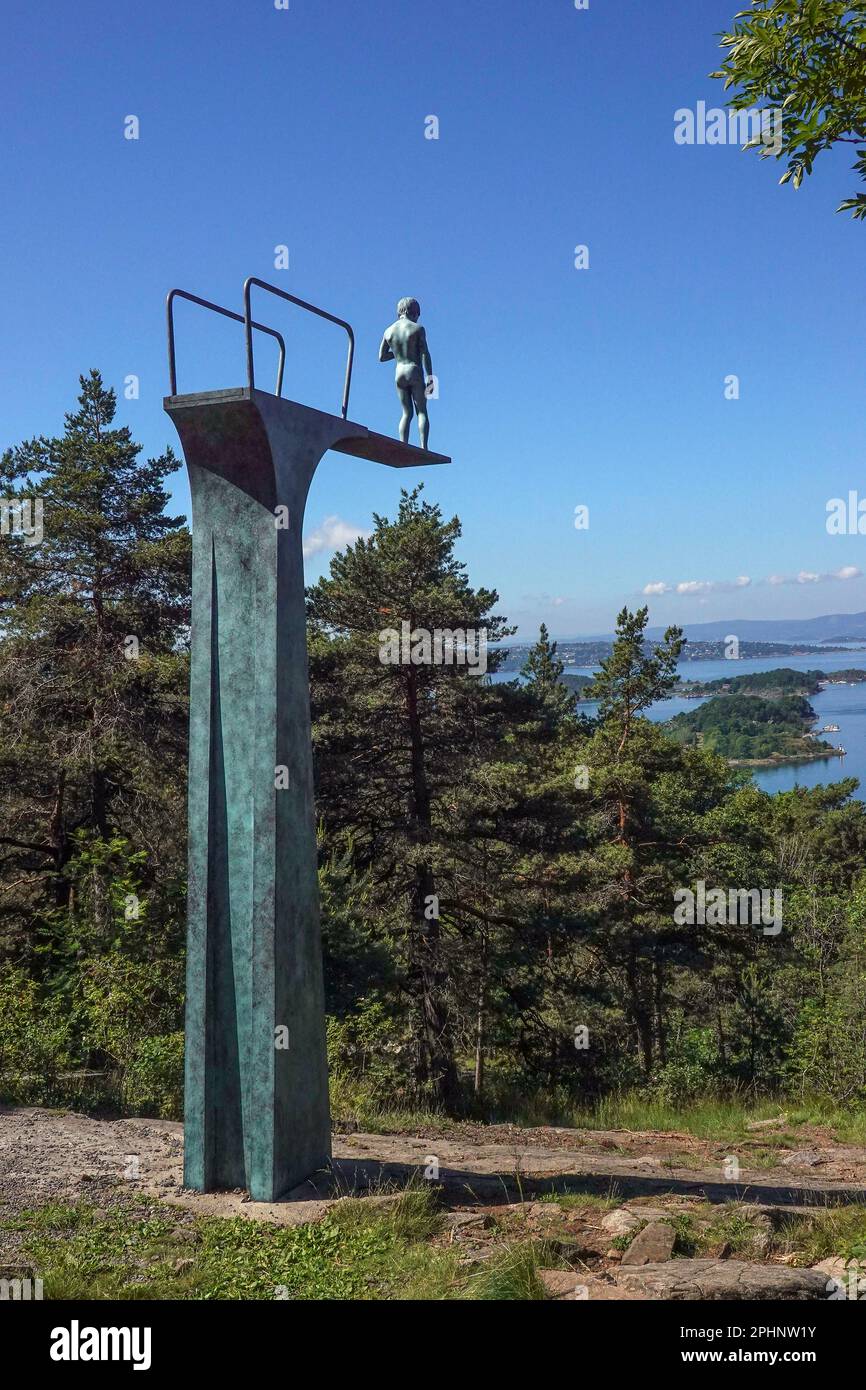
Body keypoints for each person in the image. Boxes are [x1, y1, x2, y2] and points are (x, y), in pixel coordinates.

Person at [378, 297, 434, 449]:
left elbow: (381, 357)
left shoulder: (388, 331)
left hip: (399, 373)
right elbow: (425, 354)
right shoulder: (418, 328)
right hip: (414, 370)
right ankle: (424, 446)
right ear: (414, 312)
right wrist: (431, 378)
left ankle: (403, 445)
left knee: (406, 413)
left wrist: (397, 353)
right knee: (421, 411)